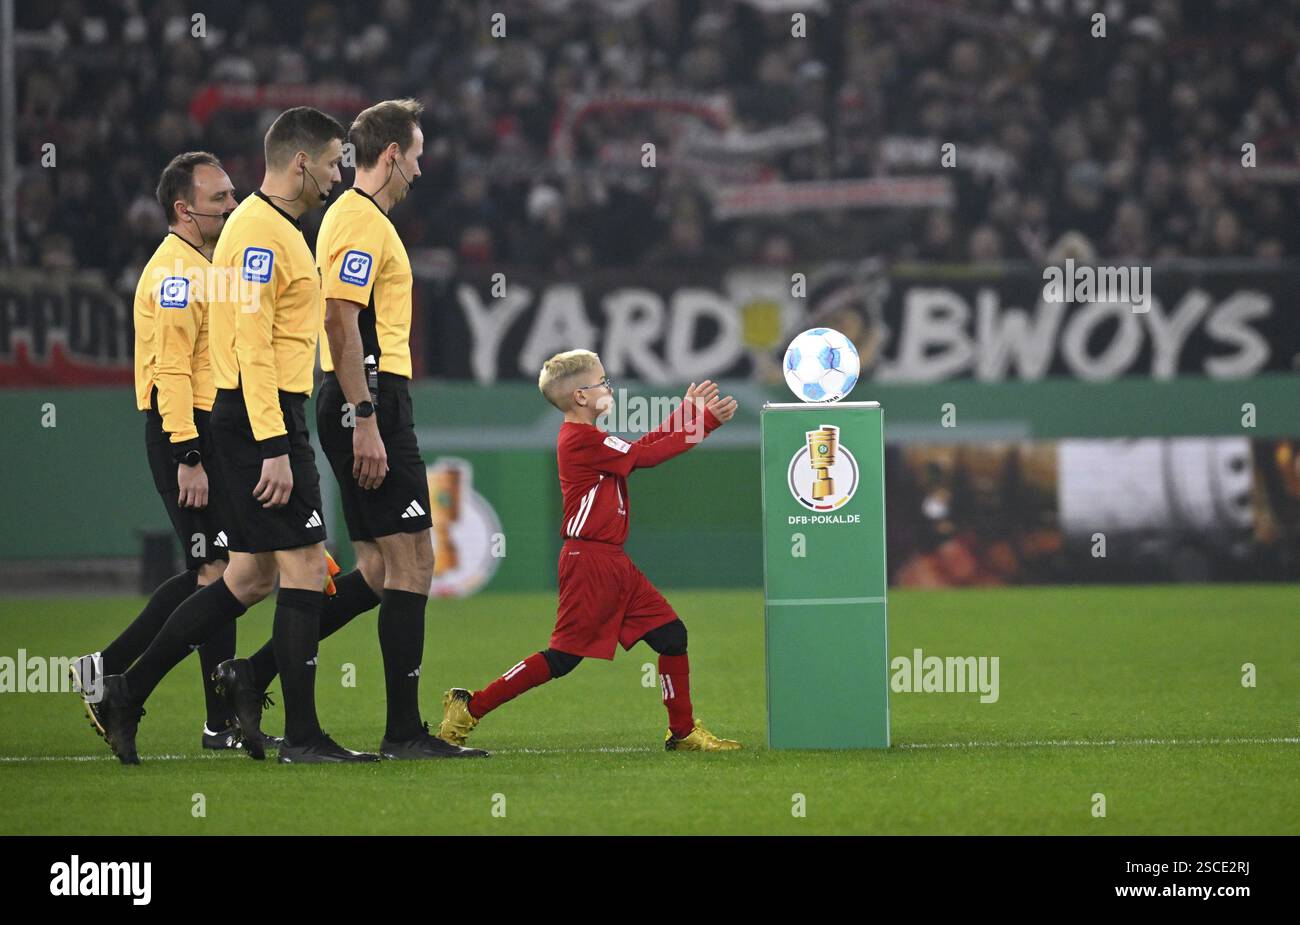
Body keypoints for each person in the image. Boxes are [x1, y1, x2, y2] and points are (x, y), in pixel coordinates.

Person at [438, 351, 743, 752]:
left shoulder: (593, 438)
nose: (608, 388)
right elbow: (647, 456)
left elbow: (640, 448)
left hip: (613, 560)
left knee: (672, 636)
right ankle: (471, 706)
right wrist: (704, 422)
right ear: (581, 395)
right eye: (603, 382)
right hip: (590, 562)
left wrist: (686, 413)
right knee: (563, 658)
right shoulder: (580, 439)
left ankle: (682, 732)